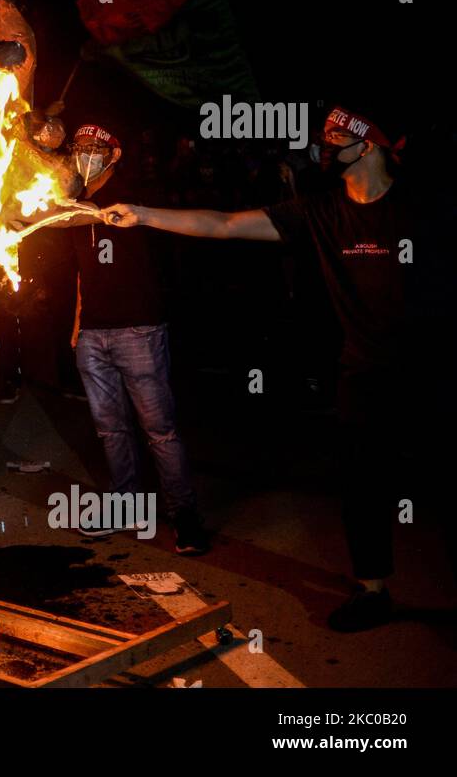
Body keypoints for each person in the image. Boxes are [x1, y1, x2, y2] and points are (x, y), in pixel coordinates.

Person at [101, 100, 451, 630]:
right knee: (362, 482)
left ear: (371, 147)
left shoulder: (421, 207)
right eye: (325, 143)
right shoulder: (320, 211)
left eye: (338, 144)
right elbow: (223, 225)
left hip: (431, 367)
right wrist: (145, 214)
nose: (327, 152)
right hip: (363, 370)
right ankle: (372, 589)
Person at [49, 124, 207, 553]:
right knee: (110, 429)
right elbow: (85, 271)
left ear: (114, 156)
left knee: (159, 430)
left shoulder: (134, 195)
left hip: (139, 329)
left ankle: (185, 515)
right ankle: (126, 505)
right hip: (94, 334)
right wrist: (78, 325)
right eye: (80, 146)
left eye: (96, 148)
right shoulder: (75, 201)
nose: (86, 153)